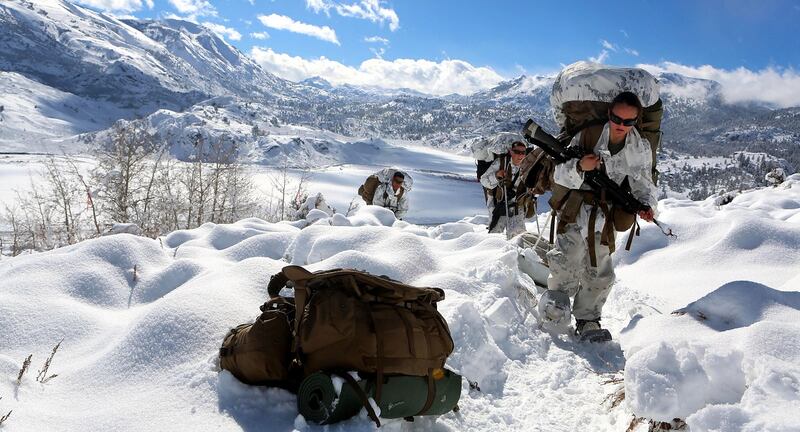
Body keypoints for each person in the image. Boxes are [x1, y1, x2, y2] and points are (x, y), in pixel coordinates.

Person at [539, 91, 658, 341]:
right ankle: (555, 311)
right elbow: (559, 175)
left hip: (606, 214)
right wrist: (580, 167)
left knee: (600, 269)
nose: (621, 126)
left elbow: (643, 183)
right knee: (565, 260)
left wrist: (646, 205)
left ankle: (588, 319)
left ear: (636, 121)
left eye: (628, 122)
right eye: (617, 119)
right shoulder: (588, 135)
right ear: (609, 114)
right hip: (575, 208)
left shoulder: (639, 148)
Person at [480, 141, 528, 237]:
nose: (520, 155)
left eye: (523, 153)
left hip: (518, 206)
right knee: (495, 236)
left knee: (517, 237)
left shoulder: (527, 165)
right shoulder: (501, 162)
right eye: (517, 152)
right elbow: (483, 180)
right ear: (511, 152)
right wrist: (496, 176)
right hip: (499, 204)